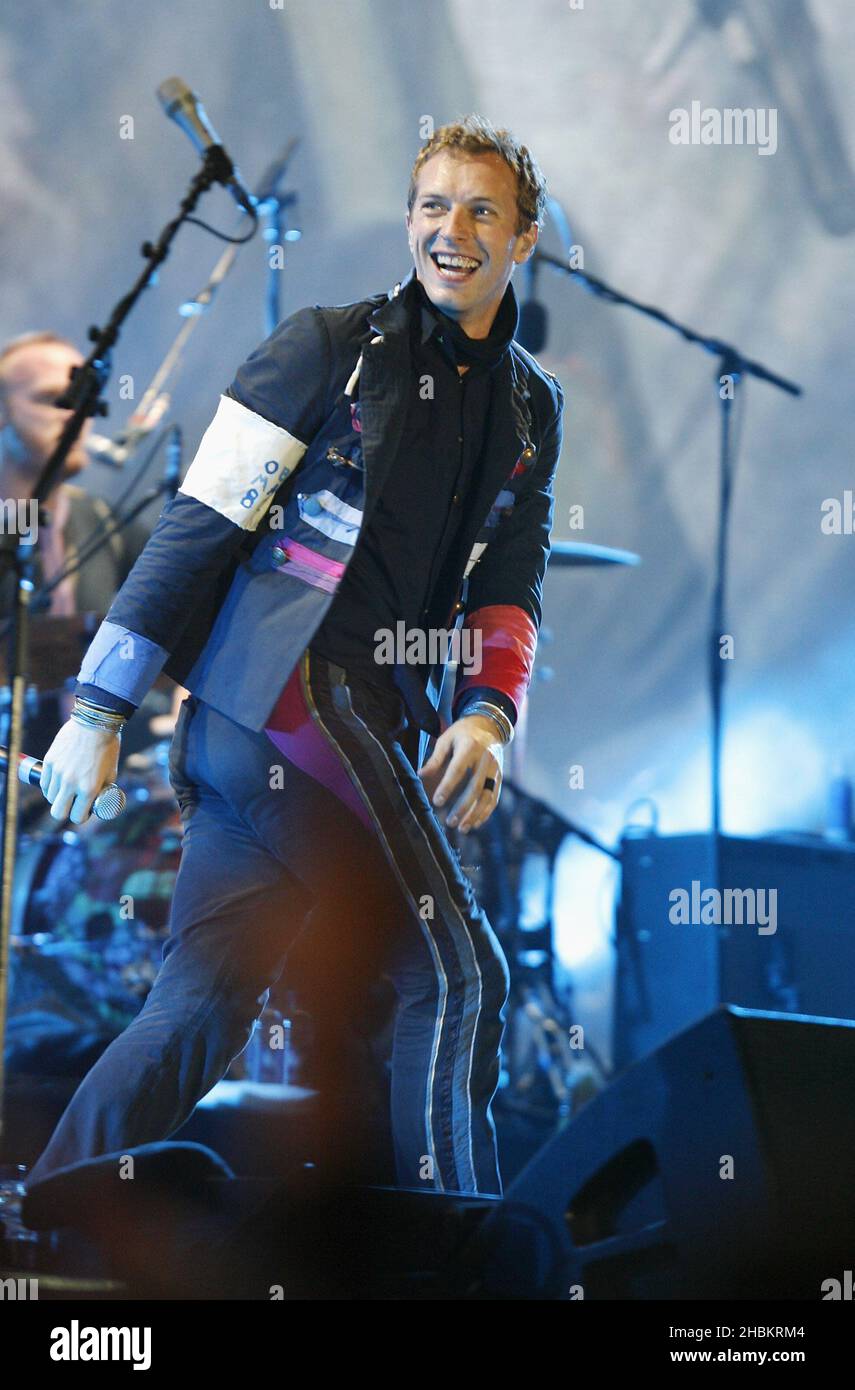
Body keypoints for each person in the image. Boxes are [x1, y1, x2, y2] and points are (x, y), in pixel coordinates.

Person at [27, 115, 565, 1197]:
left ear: (525, 238)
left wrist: (489, 712)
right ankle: (455, 1254)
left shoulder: (530, 405)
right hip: (287, 697)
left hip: (341, 722)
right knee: (457, 977)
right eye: (431, 206)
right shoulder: (326, 347)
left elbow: (510, 585)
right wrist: (97, 707)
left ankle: (34, 1227)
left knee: (198, 1010)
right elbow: (198, 524)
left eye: (480, 211)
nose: (450, 230)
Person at [0, 331, 153, 760]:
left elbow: (188, 609)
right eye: (53, 399)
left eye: (85, 397)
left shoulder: (105, 519)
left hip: (89, 787)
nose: (76, 414)